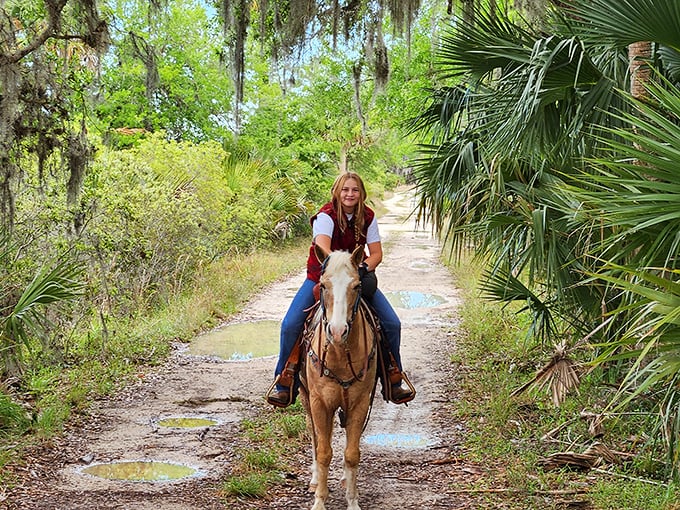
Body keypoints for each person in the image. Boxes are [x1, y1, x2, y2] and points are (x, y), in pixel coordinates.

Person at [266, 171, 414, 407]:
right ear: (337, 191)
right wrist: (342, 269)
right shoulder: (326, 217)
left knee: (391, 323)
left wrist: (363, 269)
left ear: (361, 193)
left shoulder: (368, 216)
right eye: (345, 189)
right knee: (290, 324)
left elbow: (376, 253)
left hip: (354, 281)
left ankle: (393, 377)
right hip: (322, 279)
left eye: (355, 190)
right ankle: (285, 381)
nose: (350, 194)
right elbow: (323, 249)